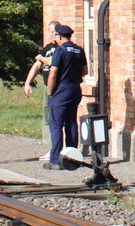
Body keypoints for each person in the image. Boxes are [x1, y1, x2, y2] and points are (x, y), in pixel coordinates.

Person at [44, 23, 87, 170]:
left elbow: (53, 74)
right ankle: (72, 158)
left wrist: (50, 93)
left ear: (60, 36)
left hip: (61, 91)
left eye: (55, 35)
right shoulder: (79, 50)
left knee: (56, 125)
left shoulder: (59, 51)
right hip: (75, 89)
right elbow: (85, 71)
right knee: (71, 123)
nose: (54, 37)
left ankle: (55, 159)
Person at [23, 20, 60, 162]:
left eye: (56, 32)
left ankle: (57, 150)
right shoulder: (47, 47)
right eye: (51, 32)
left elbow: (51, 61)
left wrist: (43, 59)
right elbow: (37, 64)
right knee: (48, 116)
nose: (53, 35)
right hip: (46, 86)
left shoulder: (61, 48)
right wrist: (27, 82)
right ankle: (52, 148)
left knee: (56, 118)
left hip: (57, 87)